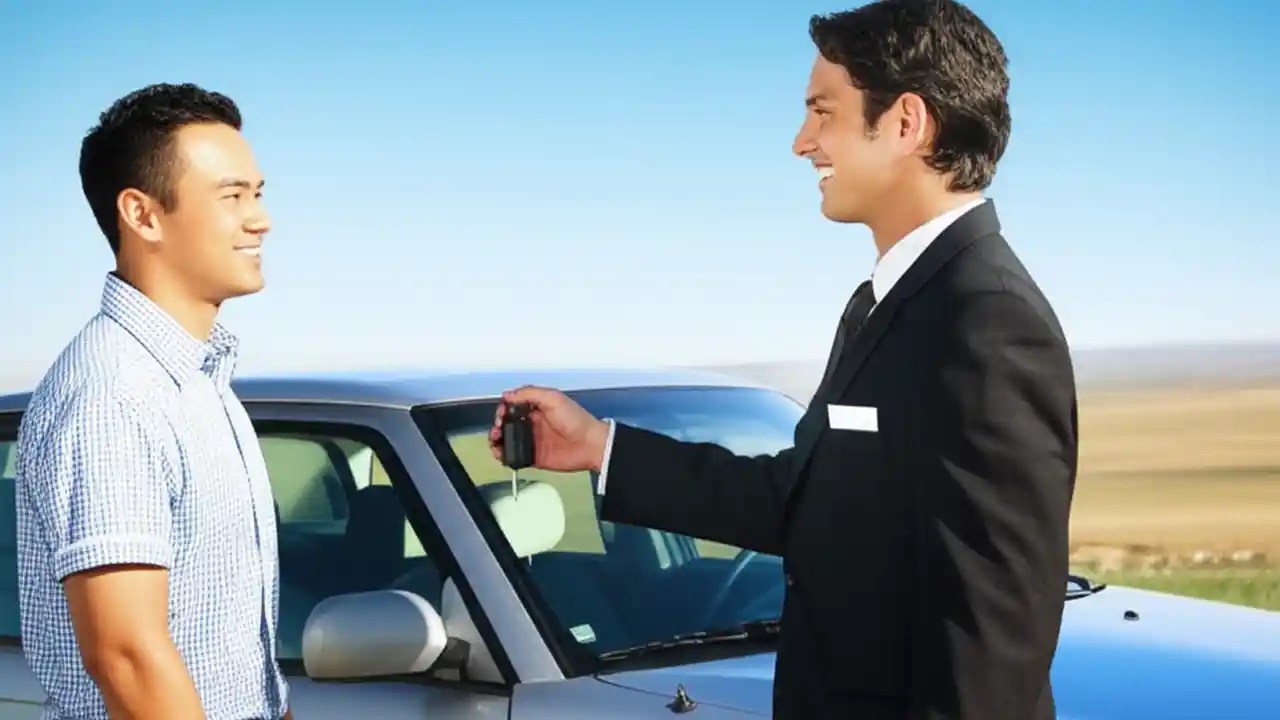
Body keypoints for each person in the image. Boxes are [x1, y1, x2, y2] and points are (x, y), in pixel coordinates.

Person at [489, 1, 1077, 718]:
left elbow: (992, 631)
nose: (803, 142)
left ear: (905, 124)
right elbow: (802, 498)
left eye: (823, 112)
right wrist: (599, 447)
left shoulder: (985, 321)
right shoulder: (885, 306)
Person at [13, 83, 291, 719]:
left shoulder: (197, 379)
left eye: (258, 193)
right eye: (232, 197)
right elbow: (127, 656)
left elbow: (235, 657)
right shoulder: (114, 394)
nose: (261, 218)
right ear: (142, 214)